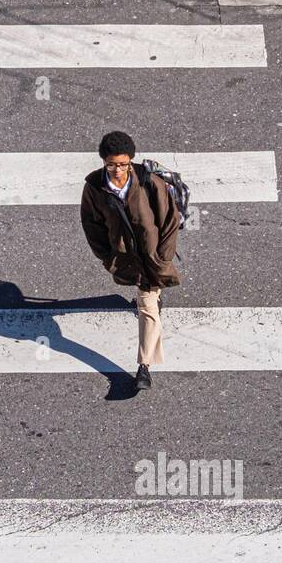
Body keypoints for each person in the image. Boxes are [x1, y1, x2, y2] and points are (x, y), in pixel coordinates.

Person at [79, 131, 181, 391]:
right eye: (111, 164)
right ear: (104, 161)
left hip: (152, 257)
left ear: (130, 161)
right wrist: (107, 257)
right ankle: (152, 298)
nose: (117, 170)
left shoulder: (149, 183)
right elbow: (92, 226)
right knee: (147, 300)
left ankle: (143, 366)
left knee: (146, 306)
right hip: (126, 259)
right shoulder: (94, 188)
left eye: (123, 164)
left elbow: (168, 221)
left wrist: (162, 259)